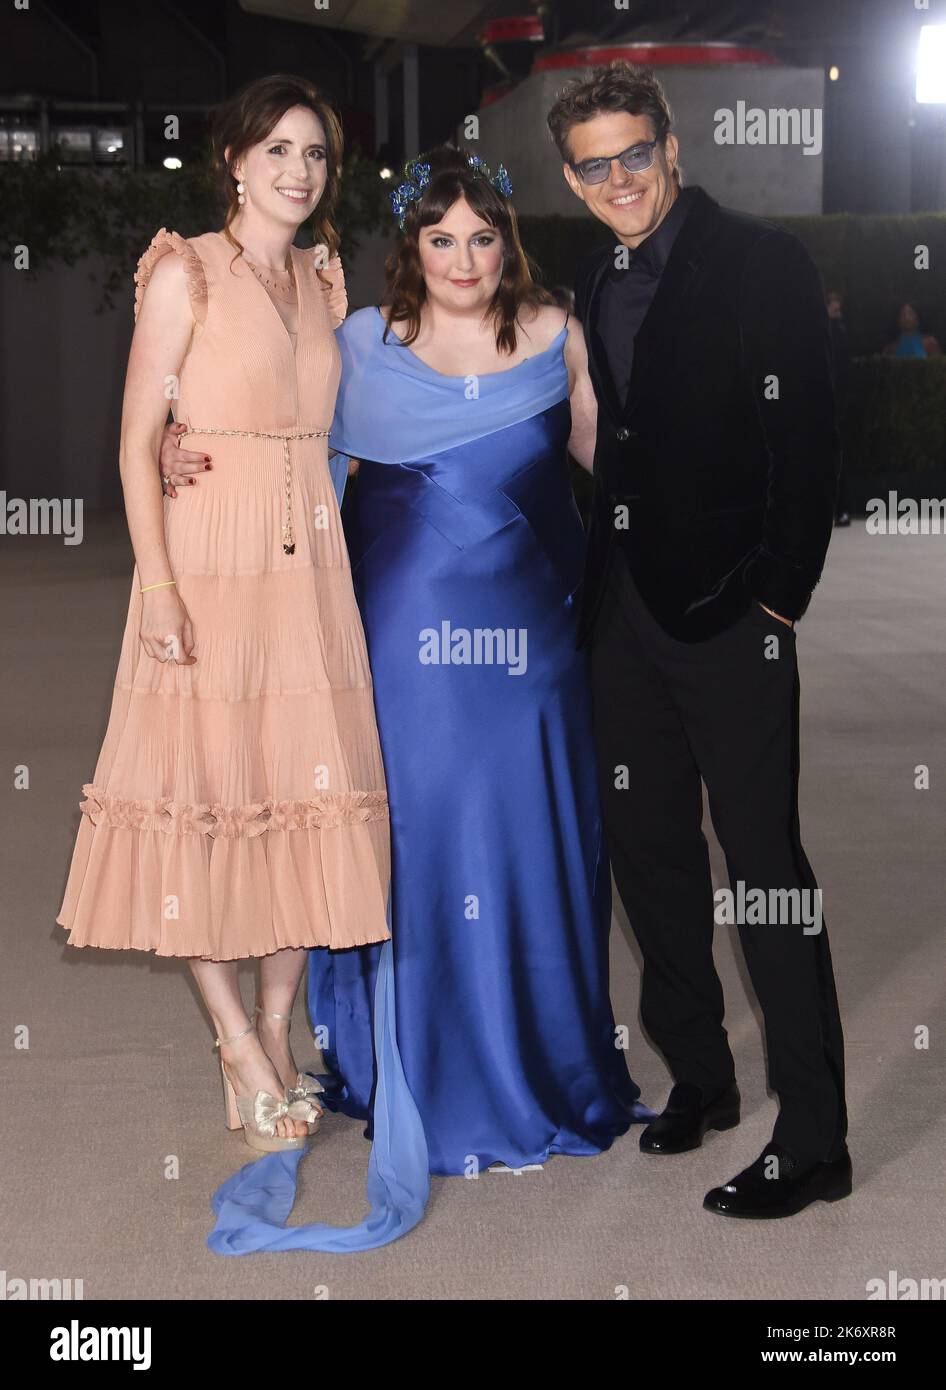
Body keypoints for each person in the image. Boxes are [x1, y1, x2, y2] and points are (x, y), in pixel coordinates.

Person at [162, 145, 650, 1176]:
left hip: (531, 658)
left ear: (504, 242)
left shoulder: (556, 335)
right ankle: (403, 1063)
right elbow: (269, 423)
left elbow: (621, 470)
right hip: (397, 655)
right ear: (412, 247)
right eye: (440, 237)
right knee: (416, 843)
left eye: (480, 236)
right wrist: (172, 441)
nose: (463, 257)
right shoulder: (361, 343)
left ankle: (543, 1062)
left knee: (527, 844)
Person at [58, 74, 427, 1254]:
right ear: (231, 159)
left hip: (307, 565)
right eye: (276, 148)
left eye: (314, 152)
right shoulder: (186, 270)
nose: (298, 169)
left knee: (301, 800)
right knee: (204, 795)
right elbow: (133, 439)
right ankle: (231, 1039)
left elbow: (354, 420)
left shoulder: (323, 277)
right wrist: (156, 580)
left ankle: (277, 1030)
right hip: (207, 567)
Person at [548, 61, 850, 1218]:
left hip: (731, 618)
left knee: (764, 866)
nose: (619, 178)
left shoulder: (760, 261)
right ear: (574, 180)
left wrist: (776, 598)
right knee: (650, 857)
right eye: (595, 164)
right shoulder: (592, 273)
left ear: (670, 149)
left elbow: (811, 440)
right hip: (620, 613)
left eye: (635, 153)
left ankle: (814, 1137)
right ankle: (701, 1077)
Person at [826, 291, 851, 526]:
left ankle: (841, 508)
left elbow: (842, 365)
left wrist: (835, 323)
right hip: (812, 402)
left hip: (833, 405)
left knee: (836, 458)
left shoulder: (838, 332)